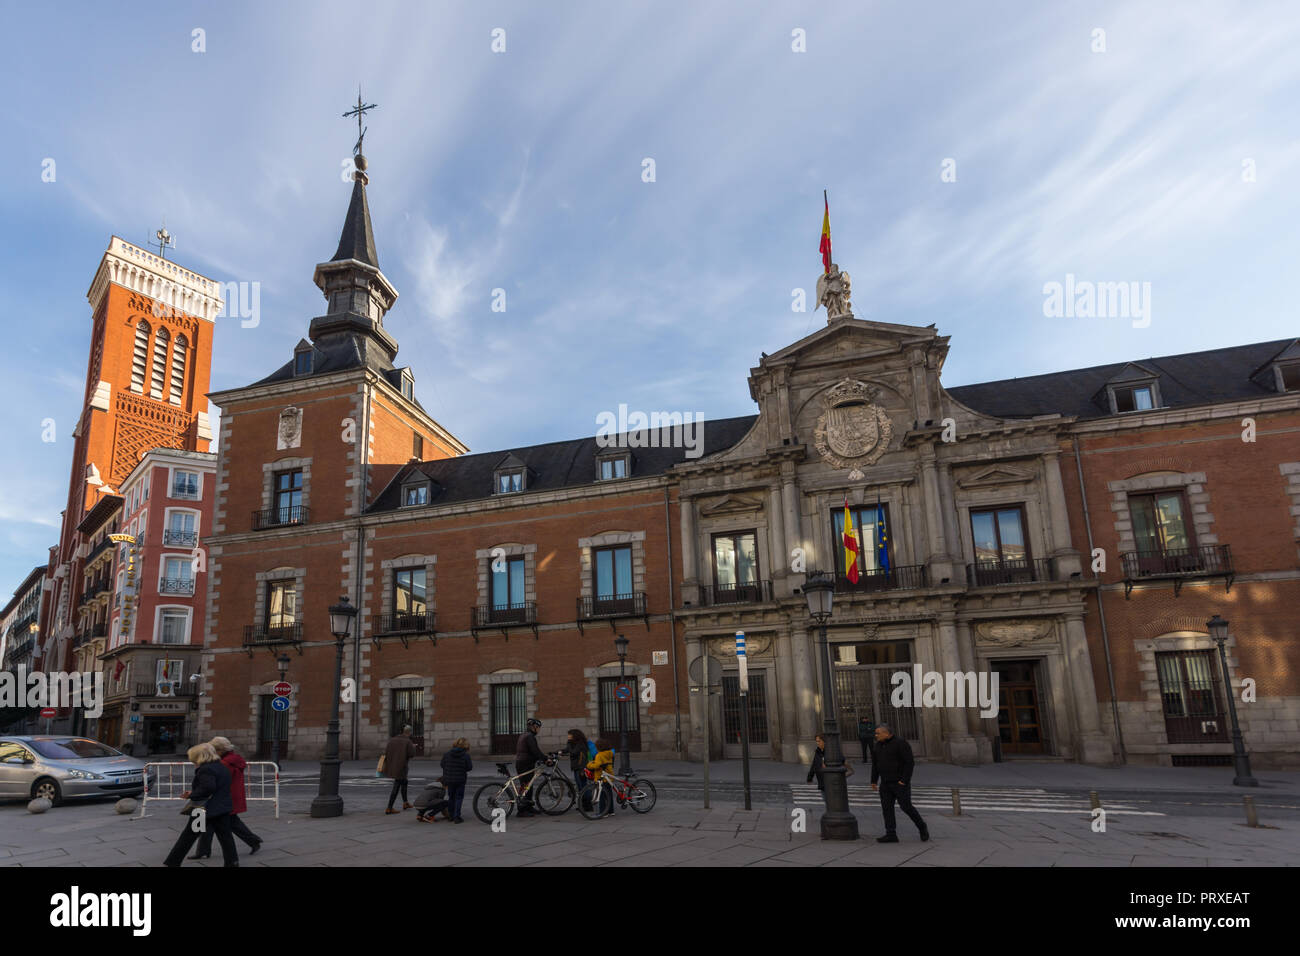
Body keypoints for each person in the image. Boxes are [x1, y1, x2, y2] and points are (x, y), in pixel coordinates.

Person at [163, 743, 239, 867]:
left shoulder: (206, 769)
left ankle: (172, 862)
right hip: (221, 808)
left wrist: (191, 795)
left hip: (203, 809)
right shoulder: (221, 766)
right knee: (226, 838)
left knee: (188, 837)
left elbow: (208, 788)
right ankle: (232, 862)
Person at [189, 736, 262, 859]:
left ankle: (253, 840)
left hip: (222, 797)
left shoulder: (224, 763)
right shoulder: (234, 759)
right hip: (231, 795)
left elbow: (214, 782)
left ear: (220, 750)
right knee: (217, 823)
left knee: (225, 823)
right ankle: (203, 850)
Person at [870, 723, 928, 843]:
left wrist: (904, 780)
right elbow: (875, 764)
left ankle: (922, 826)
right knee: (887, 808)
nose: (876, 736)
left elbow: (909, 763)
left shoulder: (900, 743)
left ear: (887, 733)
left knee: (906, 807)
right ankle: (891, 833)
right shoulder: (877, 746)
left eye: (878, 733)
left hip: (899, 783)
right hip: (885, 783)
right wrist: (874, 780)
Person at [514, 717, 546, 816]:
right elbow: (535, 750)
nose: (539, 730)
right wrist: (545, 759)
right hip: (525, 764)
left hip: (523, 762)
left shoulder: (524, 735)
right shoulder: (529, 737)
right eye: (538, 727)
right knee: (525, 787)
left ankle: (529, 807)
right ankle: (522, 811)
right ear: (534, 727)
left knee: (529, 786)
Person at [383, 724, 417, 815]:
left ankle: (405, 803)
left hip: (392, 766)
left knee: (404, 782)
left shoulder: (392, 740)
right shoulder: (407, 741)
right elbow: (411, 754)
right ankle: (389, 808)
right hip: (402, 767)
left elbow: (386, 752)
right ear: (409, 732)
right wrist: (413, 747)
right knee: (397, 786)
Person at [439, 737, 472, 823]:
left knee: (451, 797)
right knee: (459, 797)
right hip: (460, 779)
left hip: (449, 779)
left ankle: (451, 815)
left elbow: (442, 764)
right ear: (466, 746)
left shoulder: (447, 754)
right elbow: (469, 767)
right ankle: (457, 817)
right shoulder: (466, 755)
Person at [585, 737, 616, 817]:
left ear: (598, 747)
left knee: (601, 795)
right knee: (609, 795)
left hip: (601, 777)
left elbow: (597, 765)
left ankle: (603, 812)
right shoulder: (610, 753)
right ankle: (611, 811)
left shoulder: (599, 755)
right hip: (609, 776)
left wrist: (589, 764)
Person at [564, 728, 592, 800]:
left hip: (581, 768)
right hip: (576, 767)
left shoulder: (580, 744)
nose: (568, 736)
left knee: (583, 786)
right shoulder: (573, 743)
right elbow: (566, 750)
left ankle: (588, 805)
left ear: (575, 736)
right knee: (580, 786)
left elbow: (573, 752)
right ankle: (583, 804)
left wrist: (569, 744)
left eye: (570, 735)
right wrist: (556, 752)